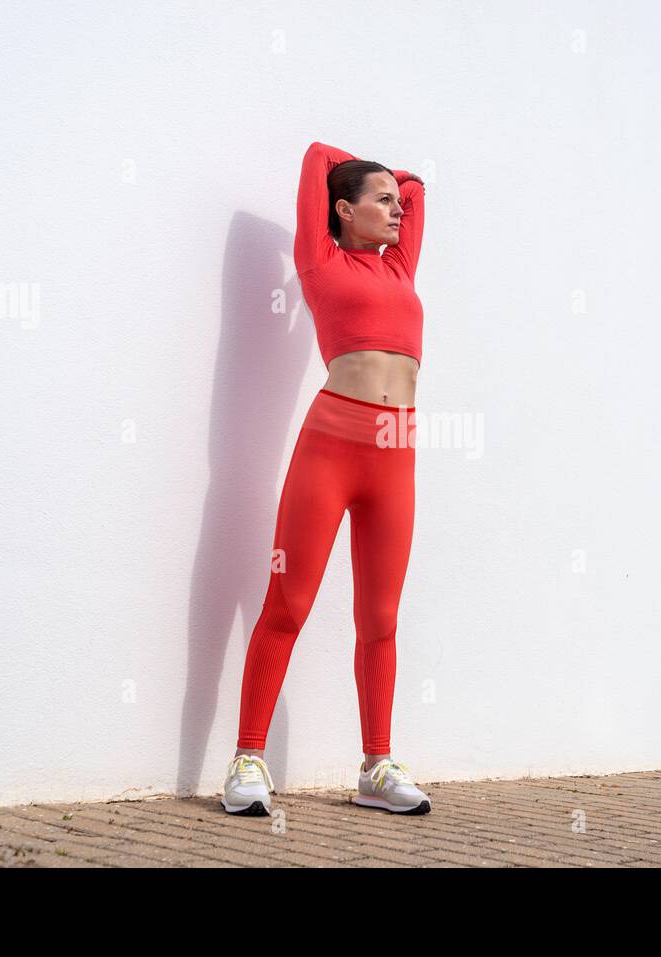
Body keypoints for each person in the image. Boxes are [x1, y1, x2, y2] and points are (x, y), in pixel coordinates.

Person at [221, 141, 431, 816]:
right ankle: (247, 758)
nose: (398, 210)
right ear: (341, 210)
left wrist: (389, 185)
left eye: (396, 205)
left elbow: (420, 188)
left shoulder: (399, 265)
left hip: (397, 452)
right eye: (381, 201)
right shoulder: (320, 258)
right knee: (289, 603)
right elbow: (317, 156)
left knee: (381, 618)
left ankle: (375, 766)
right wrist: (360, 170)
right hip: (332, 443)